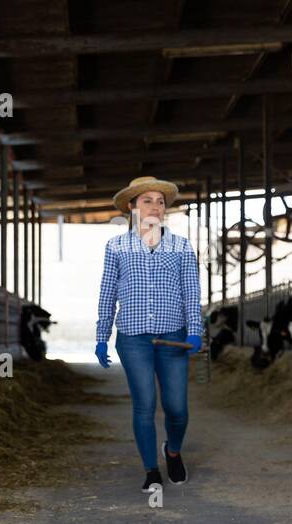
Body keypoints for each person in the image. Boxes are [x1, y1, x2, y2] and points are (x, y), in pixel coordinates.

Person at [96, 176, 204, 493]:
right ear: (132, 207)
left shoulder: (181, 246)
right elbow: (107, 293)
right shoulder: (116, 246)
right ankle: (150, 470)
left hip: (173, 337)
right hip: (133, 338)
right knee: (144, 404)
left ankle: (172, 450)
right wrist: (102, 335)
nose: (155, 206)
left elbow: (190, 291)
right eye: (147, 200)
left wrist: (195, 331)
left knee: (177, 408)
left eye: (160, 201)